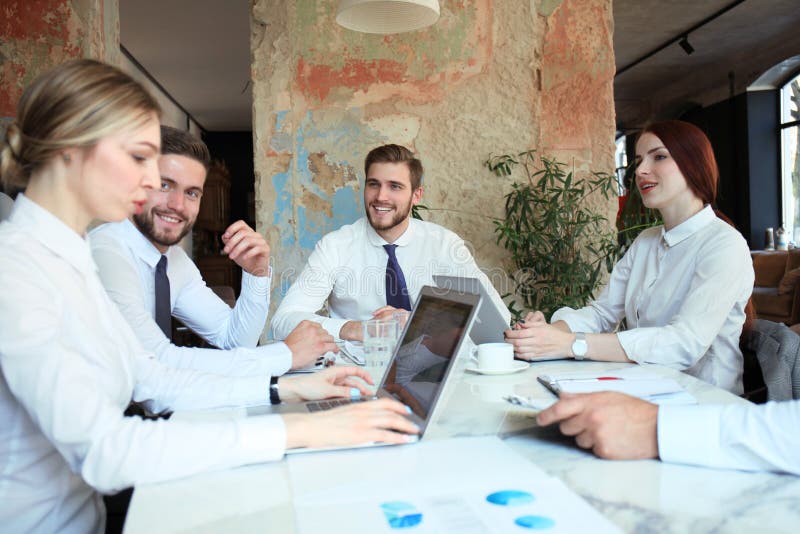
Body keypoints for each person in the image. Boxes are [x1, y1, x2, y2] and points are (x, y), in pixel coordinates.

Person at [0, 59, 418, 533]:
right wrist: (302, 430)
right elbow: (104, 450)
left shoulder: (66, 256)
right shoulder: (16, 270)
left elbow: (152, 377)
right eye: (139, 159)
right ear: (71, 148)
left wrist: (294, 387)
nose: (148, 184)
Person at [505, 120, 754, 394]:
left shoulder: (724, 245)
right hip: (645, 388)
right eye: (639, 160)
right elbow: (603, 313)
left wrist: (571, 343)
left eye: (659, 157)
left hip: (705, 404)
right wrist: (549, 333)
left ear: (693, 164)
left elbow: (684, 343)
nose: (641, 171)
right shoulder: (646, 241)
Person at [90, 126, 332, 375]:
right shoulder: (106, 253)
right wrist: (285, 355)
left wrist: (257, 274)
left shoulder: (174, 261)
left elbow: (234, 340)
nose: (177, 205)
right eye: (164, 185)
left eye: (192, 193)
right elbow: (155, 360)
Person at [271, 143, 509, 342]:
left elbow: (498, 318)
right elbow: (283, 321)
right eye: (374, 184)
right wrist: (357, 328)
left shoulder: (444, 245)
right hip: (357, 372)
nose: (381, 196)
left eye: (395, 186)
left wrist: (419, 323)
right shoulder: (336, 246)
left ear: (416, 195)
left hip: (429, 371)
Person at [535, 392, 800, 475]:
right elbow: (604, 310)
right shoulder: (640, 256)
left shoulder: (723, 257)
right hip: (639, 387)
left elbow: (687, 340)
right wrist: (555, 332)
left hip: (705, 394)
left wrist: (652, 425)